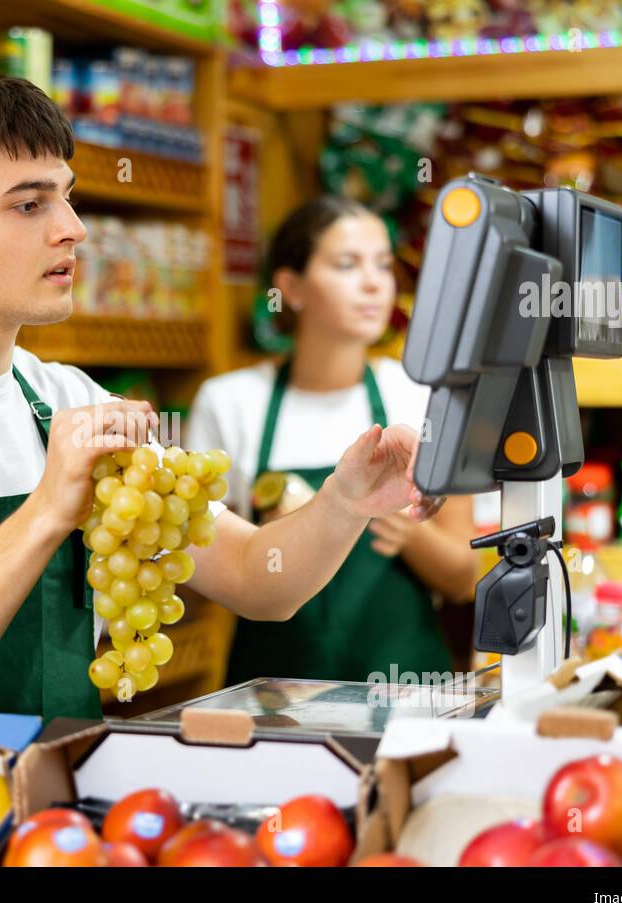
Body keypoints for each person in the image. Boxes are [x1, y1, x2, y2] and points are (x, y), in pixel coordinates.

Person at [0, 71, 444, 721]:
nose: (73, 229)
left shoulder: (67, 398)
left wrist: (347, 500)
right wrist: (49, 509)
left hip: (57, 818)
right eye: (29, 204)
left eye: (67, 195)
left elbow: (257, 577)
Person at [186, 196, 478, 686]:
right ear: (291, 287)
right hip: (273, 701)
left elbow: (463, 577)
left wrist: (407, 533)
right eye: (347, 264)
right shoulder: (230, 402)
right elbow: (194, 578)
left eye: (383, 265)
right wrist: (268, 543)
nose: (373, 283)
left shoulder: (424, 398)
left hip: (407, 694)